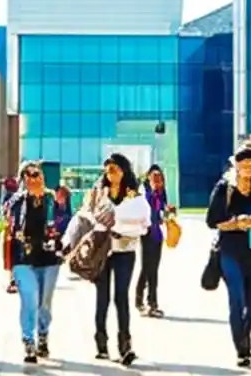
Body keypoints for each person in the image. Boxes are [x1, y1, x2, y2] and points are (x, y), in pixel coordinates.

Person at [65, 153, 148, 364]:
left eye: (116, 169)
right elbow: (84, 216)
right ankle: (101, 343)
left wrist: (122, 224)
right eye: (108, 170)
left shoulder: (135, 194)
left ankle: (125, 345)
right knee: (102, 297)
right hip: (100, 250)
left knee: (121, 297)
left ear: (124, 170)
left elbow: (144, 222)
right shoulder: (96, 192)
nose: (112, 174)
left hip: (125, 250)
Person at [206, 147, 251, 368]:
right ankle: (241, 349)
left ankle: (245, 336)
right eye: (244, 165)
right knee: (237, 301)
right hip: (229, 249)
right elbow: (211, 220)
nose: (248, 170)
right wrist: (237, 222)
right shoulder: (224, 188)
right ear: (236, 165)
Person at [5, 161, 69, 364]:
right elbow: (8, 220)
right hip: (23, 257)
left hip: (49, 257)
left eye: (37, 174)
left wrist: (59, 208)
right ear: (23, 179)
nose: (34, 179)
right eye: (29, 175)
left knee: (44, 303)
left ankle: (43, 334)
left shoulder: (54, 199)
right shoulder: (17, 200)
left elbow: (67, 222)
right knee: (30, 298)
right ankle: (28, 340)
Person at [136, 164, 173, 319]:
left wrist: (169, 211)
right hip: (146, 233)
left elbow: (163, 208)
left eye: (160, 181)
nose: (158, 183)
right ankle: (143, 300)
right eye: (155, 180)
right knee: (147, 267)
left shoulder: (160, 192)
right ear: (149, 179)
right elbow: (143, 210)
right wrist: (153, 192)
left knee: (153, 268)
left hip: (157, 233)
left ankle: (151, 302)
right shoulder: (144, 192)